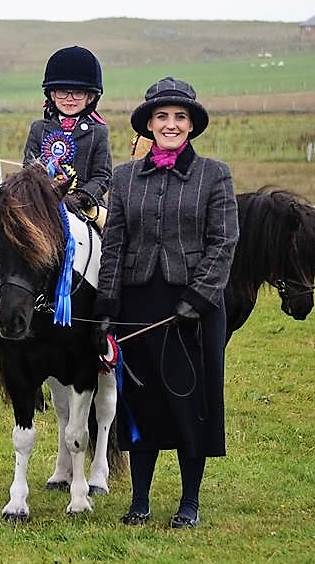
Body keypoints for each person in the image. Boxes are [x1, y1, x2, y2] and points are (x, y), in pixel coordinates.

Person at [92, 77, 239, 529]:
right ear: (149, 125)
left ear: (192, 125)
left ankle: (189, 502)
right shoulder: (124, 177)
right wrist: (106, 309)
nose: (170, 124)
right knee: (141, 404)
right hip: (138, 305)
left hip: (194, 312)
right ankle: (139, 501)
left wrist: (196, 299)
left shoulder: (215, 175)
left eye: (179, 117)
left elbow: (224, 241)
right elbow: (114, 245)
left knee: (191, 405)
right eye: (162, 117)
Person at [0, 45, 112, 304]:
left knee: (111, 229)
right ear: (51, 94)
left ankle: (111, 288)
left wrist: (84, 196)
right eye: (63, 92)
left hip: (85, 204)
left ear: (91, 96)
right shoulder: (39, 128)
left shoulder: (98, 133)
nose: (69, 98)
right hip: (41, 204)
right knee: (10, 227)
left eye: (77, 92)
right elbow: (27, 170)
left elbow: (103, 174)